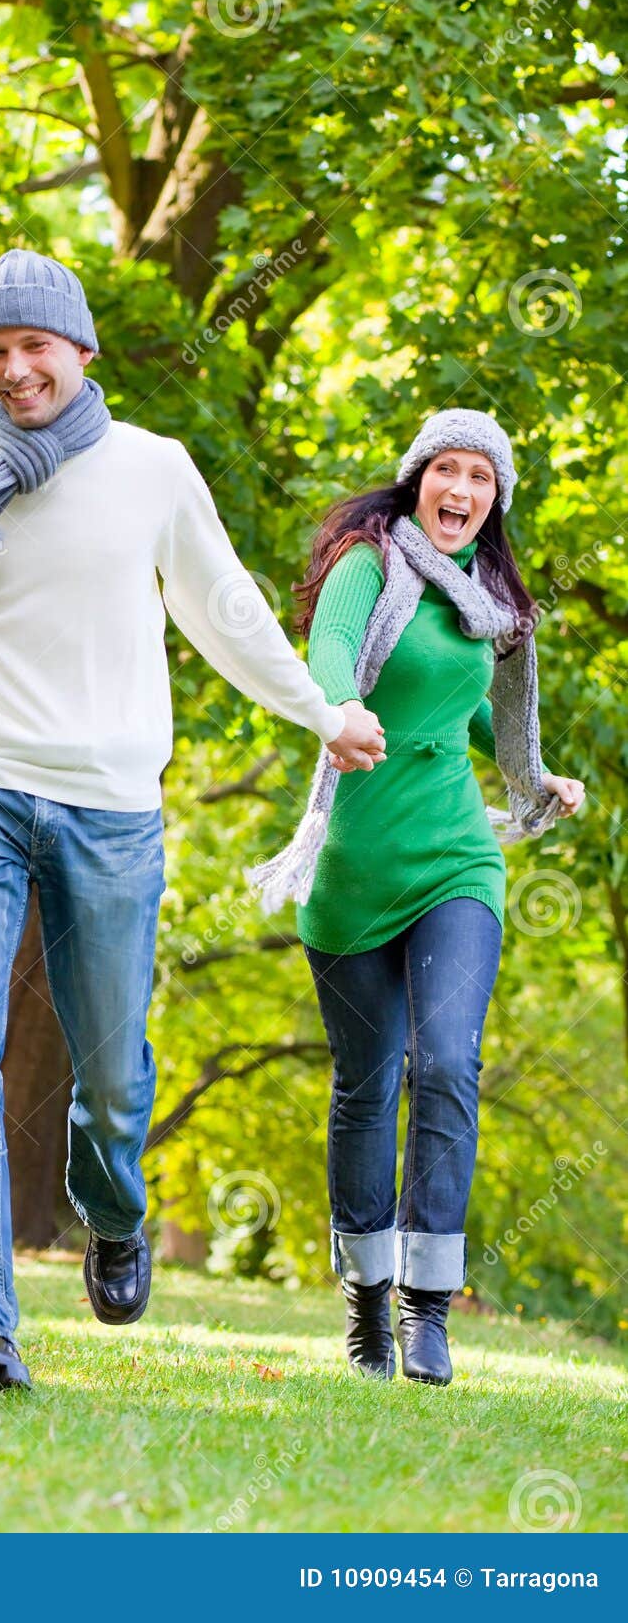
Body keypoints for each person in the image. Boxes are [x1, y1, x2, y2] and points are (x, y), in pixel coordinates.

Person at [0, 246, 386, 1392]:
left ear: (80, 352)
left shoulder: (150, 469)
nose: (11, 370)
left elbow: (225, 610)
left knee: (109, 1076)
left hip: (111, 812)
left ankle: (112, 1209)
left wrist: (317, 709)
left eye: (31, 346)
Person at [248, 408, 585, 1385]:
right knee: (369, 1084)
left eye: (481, 477)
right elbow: (325, 648)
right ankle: (364, 1302)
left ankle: (428, 1307)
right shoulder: (369, 563)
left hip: (455, 858)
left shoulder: (488, 597)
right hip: (354, 868)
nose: (462, 489)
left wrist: (530, 777)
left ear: (494, 498)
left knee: (445, 1062)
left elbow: (468, 705)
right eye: (446, 469)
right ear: (416, 479)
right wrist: (338, 706)